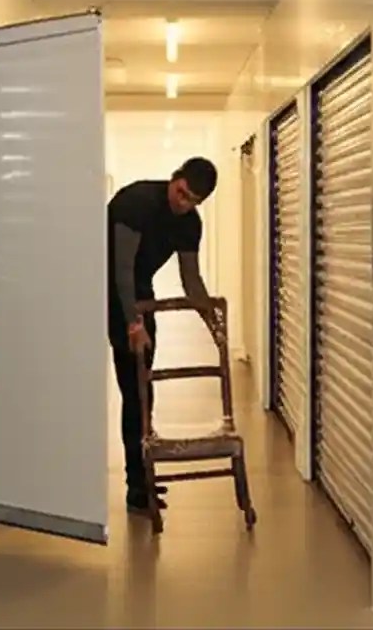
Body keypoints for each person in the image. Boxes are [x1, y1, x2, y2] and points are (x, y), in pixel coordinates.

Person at [107, 157, 218, 513]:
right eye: (181, 193)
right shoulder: (137, 202)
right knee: (133, 381)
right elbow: (120, 271)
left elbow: (191, 279)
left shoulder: (189, 224)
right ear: (174, 180)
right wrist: (133, 325)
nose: (182, 204)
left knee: (141, 389)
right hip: (102, 279)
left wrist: (212, 322)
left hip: (138, 289)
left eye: (192, 201)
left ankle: (140, 485)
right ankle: (137, 484)